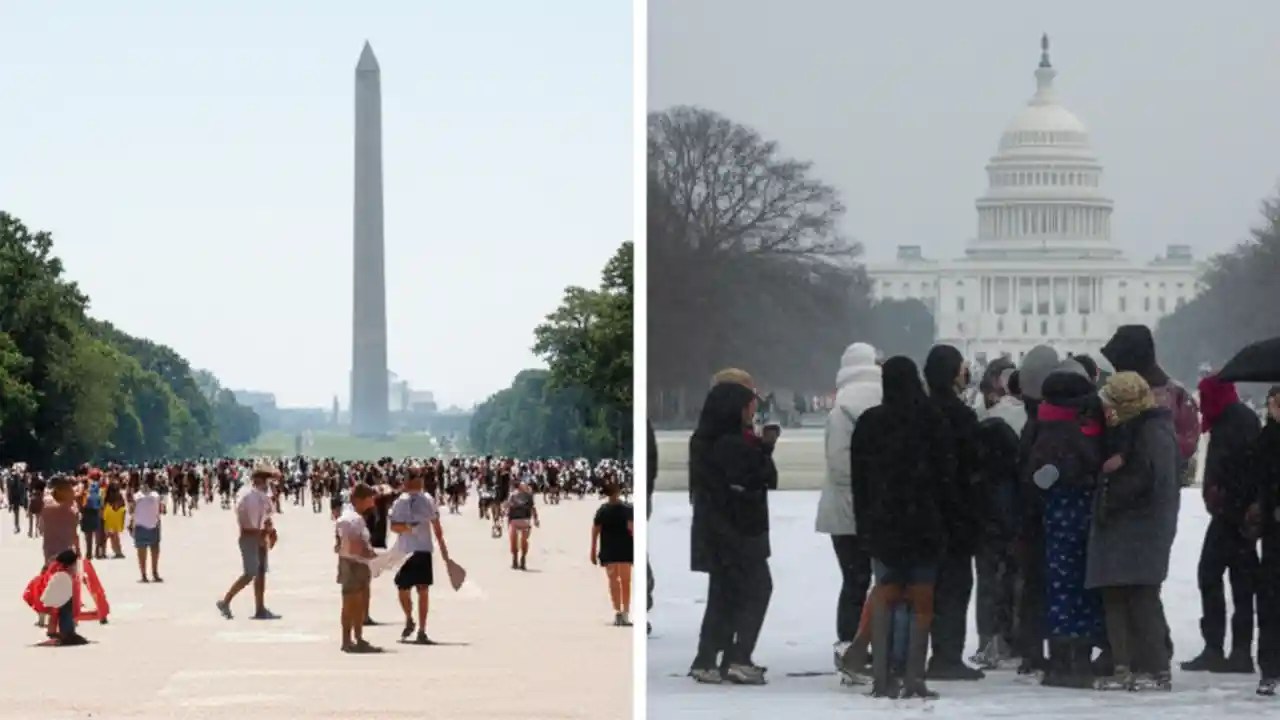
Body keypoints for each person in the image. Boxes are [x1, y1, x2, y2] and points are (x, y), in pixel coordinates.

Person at [846, 356, 952, 699]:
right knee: (921, 600)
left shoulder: (869, 423)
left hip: (883, 522)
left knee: (885, 595)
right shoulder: (931, 419)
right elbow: (946, 475)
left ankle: (883, 675)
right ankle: (913, 675)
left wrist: (864, 523)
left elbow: (859, 481)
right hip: (924, 521)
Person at [1088, 372, 1180, 692]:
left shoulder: (1147, 433)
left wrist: (1108, 477)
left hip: (1137, 529)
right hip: (1139, 530)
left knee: (1135, 598)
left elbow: (1141, 482)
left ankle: (1143, 667)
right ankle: (1137, 665)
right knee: (1130, 597)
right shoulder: (1148, 427)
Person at [688, 380, 778, 686]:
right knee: (758, 589)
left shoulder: (706, 439)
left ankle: (709, 657)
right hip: (738, 529)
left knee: (724, 594)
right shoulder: (731, 444)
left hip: (716, 529)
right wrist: (765, 448)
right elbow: (763, 476)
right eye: (749, 405)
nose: (753, 410)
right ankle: (738, 656)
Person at [1025, 360, 1105, 688]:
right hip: (1090, 516)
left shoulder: (1044, 431)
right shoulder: (1091, 429)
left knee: (1059, 588)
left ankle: (1061, 657)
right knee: (1085, 587)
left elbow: (1032, 477)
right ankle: (1082, 656)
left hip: (1056, 518)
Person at [1182, 375, 1261, 673]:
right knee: (1241, 582)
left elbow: (1237, 466)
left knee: (1211, 574)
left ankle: (1217, 646)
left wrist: (1222, 495)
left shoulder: (1232, 422)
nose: (1202, 404)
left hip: (1232, 515)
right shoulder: (1236, 418)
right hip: (1238, 514)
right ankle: (1239, 650)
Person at [815, 342, 881, 673]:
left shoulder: (841, 407)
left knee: (853, 580)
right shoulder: (883, 400)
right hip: (879, 506)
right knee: (880, 580)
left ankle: (849, 642)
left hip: (843, 509)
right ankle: (873, 642)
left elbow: (838, 464)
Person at [922, 344, 985, 680]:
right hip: (956, 514)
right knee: (955, 587)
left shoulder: (920, 413)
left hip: (925, 512)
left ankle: (925, 650)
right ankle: (947, 654)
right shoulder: (961, 417)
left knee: (926, 586)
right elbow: (972, 466)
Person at [388, 470, 450, 644]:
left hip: (422, 549)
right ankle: (409, 618)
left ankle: (422, 630)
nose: (420, 481)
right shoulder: (400, 502)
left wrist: (443, 548)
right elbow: (394, 526)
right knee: (402, 588)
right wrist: (409, 528)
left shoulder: (428, 500)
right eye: (416, 478)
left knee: (423, 590)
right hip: (406, 551)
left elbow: (436, 525)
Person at [1246, 385, 1280, 696]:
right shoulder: (1266, 439)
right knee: (1270, 601)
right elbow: (1256, 477)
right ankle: (1269, 668)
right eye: (1272, 401)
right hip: (1273, 532)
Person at [217, 466, 280, 620]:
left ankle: (260, 608)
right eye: (266, 482)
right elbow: (250, 520)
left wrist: (269, 531)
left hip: (259, 535)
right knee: (250, 573)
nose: (267, 486)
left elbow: (265, 517)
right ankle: (225, 601)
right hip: (250, 537)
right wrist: (264, 532)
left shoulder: (257, 496)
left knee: (261, 573)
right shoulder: (250, 496)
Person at [335, 482, 382, 653]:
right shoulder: (352, 519)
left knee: (357, 604)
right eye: (370, 499)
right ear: (360, 499)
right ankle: (348, 641)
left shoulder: (351, 517)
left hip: (353, 562)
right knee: (351, 603)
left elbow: (339, 543)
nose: (373, 502)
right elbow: (351, 545)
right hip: (354, 563)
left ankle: (357, 638)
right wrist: (371, 555)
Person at [592, 480, 634, 626]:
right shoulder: (628, 509)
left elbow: (595, 531)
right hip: (625, 550)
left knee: (614, 582)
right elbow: (632, 530)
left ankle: (618, 611)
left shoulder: (602, 510)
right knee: (625, 582)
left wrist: (593, 549)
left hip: (610, 551)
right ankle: (625, 613)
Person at [130, 477, 163, 582]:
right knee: (154, 551)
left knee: (143, 553)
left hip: (141, 526)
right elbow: (160, 510)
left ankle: (145, 574)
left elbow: (131, 511)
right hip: (152, 525)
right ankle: (153, 573)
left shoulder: (137, 496)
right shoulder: (155, 496)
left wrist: (131, 525)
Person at [507, 481, 539, 570]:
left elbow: (533, 508)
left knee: (524, 541)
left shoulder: (529, 497)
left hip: (525, 520)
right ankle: (515, 559)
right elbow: (508, 507)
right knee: (513, 541)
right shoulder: (513, 495)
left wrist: (536, 519)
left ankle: (523, 559)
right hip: (514, 520)